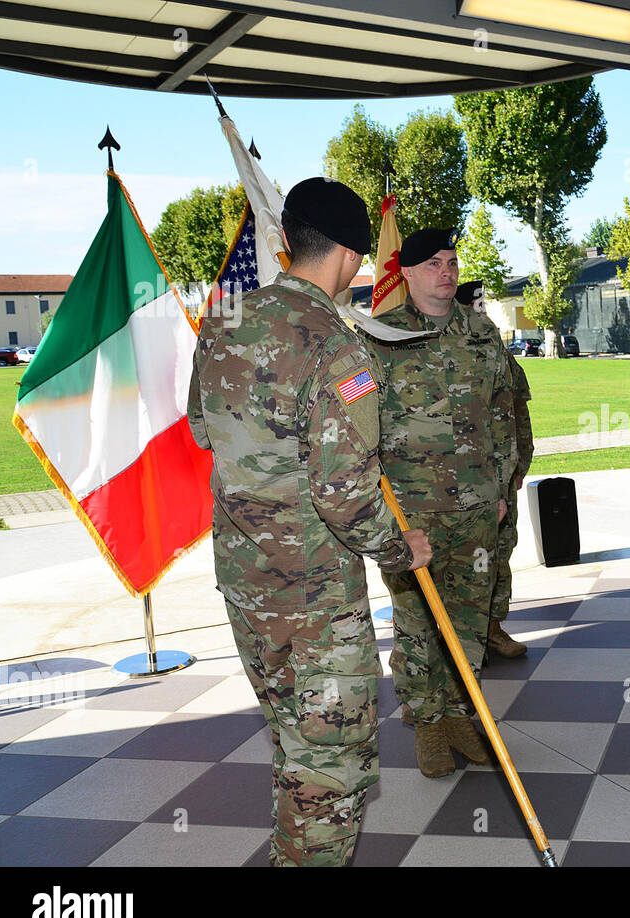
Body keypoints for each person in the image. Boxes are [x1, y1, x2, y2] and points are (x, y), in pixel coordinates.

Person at [187, 177, 431, 866]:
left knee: (294, 740)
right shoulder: (337, 346)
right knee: (330, 766)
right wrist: (399, 546)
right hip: (315, 597)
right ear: (353, 255)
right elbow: (345, 494)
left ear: (287, 239)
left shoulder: (225, 319)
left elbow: (203, 430)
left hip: (245, 581)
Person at [363, 230, 516, 778]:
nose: (446, 272)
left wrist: (500, 486)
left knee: (470, 618)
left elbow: (502, 410)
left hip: (477, 505)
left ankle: (457, 714)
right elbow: (357, 425)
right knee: (417, 620)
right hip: (412, 512)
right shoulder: (379, 337)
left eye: (452, 262)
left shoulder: (481, 332)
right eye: (432, 263)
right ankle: (427, 723)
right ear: (405, 272)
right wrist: (378, 511)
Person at [456, 280, 532, 659]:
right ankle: (464, 635)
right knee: (470, 561)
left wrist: (522, 461)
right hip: (469, 480)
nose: (483, 311)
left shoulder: (496, 350)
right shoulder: (455, 356)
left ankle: (492, 627)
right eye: (476, 306)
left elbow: (518, 409)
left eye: (484, 306)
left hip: (503, 474)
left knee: (500, 553)